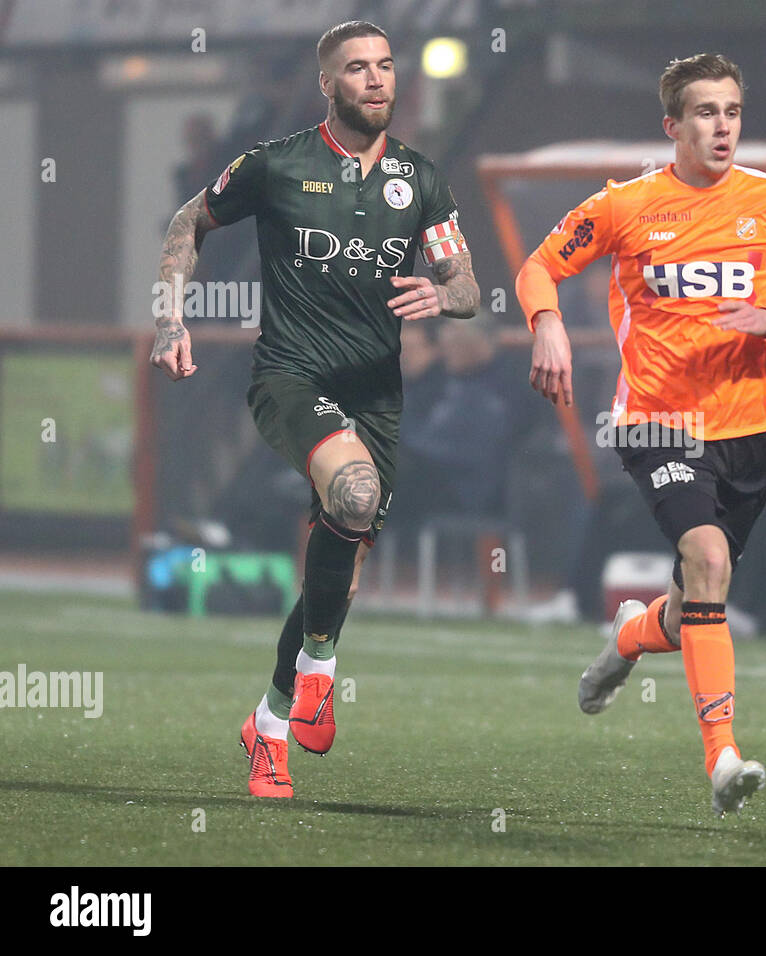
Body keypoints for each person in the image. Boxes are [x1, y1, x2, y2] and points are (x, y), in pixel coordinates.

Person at [149, 20, 479, 798]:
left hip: (377, 394)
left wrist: (446, 292)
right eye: (357, 68)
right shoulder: (276, 164)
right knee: (355, 495)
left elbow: (465, 283)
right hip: (291, 378)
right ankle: (320, 673)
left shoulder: (420, 178)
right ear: (327, 84)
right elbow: (186, 222)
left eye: (386, 66)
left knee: (341, 568)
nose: (376, 79)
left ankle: (268, 725)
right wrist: (170, 318)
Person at [515, 53, 766, 815]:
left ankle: (631, 637)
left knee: (699, 592)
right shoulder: (626, 206)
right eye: (704, 112)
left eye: (731, 111)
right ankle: (722, 757)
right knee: (708, 556)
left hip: (751, 428)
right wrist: (548, 326)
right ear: (672, 126)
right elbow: (537, 267)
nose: (721, 126)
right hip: (659, 421)